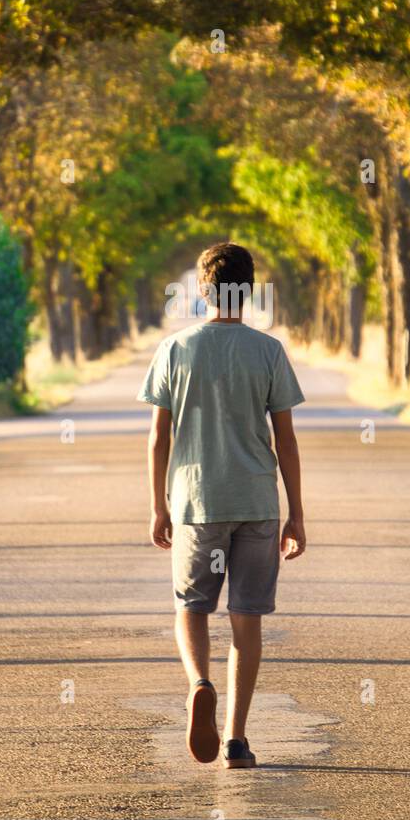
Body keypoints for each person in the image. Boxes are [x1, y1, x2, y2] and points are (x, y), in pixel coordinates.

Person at [137, 242, 306, 769]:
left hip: (196, 503)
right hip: (256, 501)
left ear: (204, 290)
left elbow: (158, 437)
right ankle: (236, 740)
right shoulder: (268, 351)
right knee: (246, 619)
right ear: (248, 290)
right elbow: (286, 440)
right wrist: (296, 513)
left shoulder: (176, 349)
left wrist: (159, 505)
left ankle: (198, 683)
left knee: (191, 607)